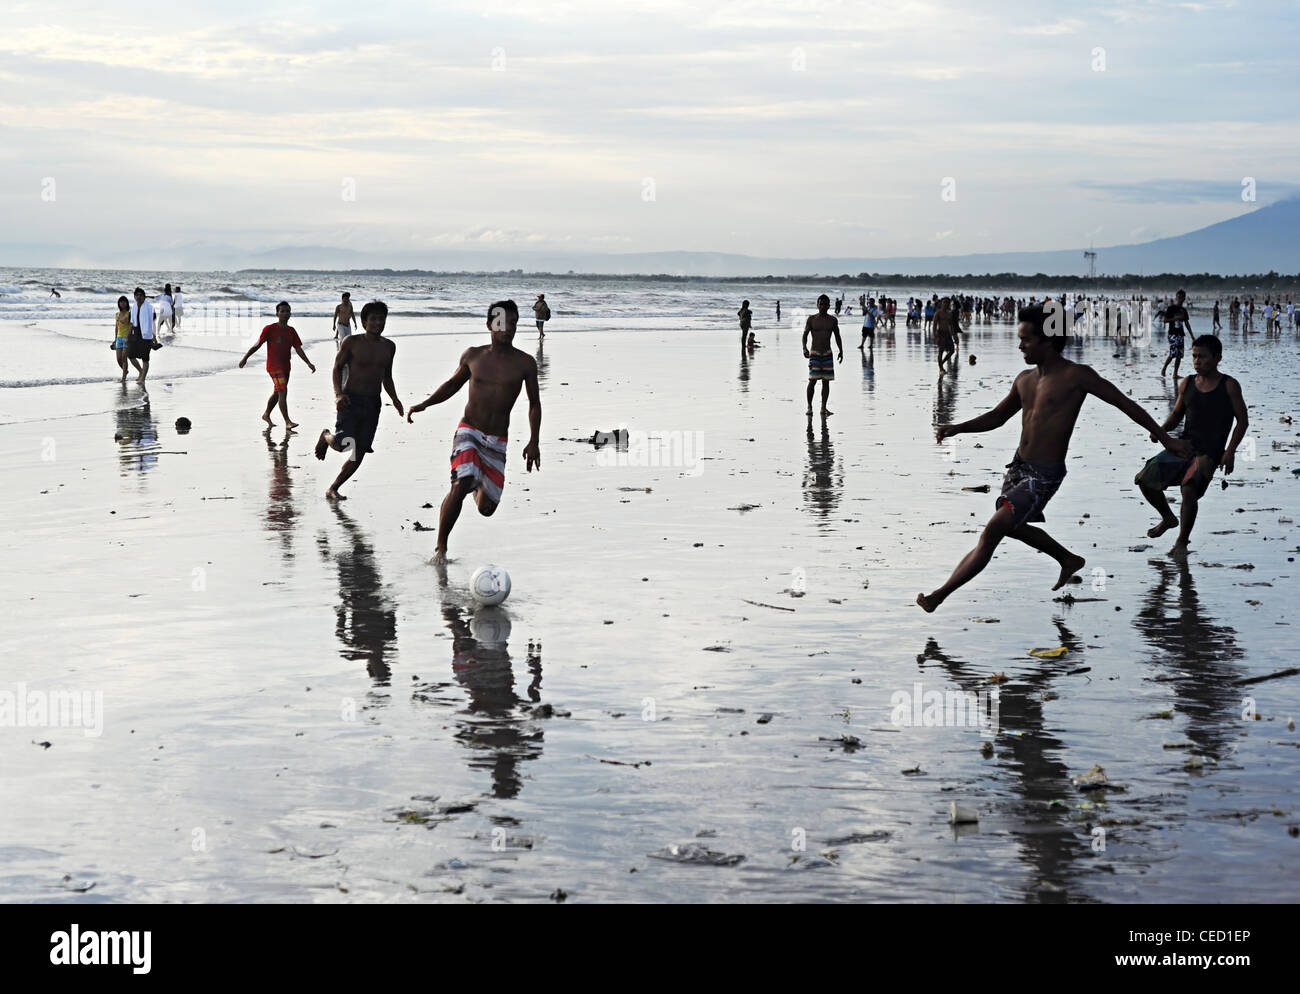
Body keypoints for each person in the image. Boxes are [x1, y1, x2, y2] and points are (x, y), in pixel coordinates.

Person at [916, 305, 1192, 613]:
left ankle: (939, 596)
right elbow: (998, 417)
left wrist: (1165, 437)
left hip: (1044, 475)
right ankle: (1066, 559)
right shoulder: (1024, 380)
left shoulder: (1076, 376)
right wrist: (957, 428)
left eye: (1026, 339)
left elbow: (1124, 404)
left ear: (1049, 340)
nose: (1020, 346)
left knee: (993, 530)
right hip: (1018, 469)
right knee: (1011, 527)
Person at [406, 299, 541, 564]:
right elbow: (451, 385)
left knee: (487, 509)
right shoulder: (473, 356)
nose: (508, 329)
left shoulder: (525, 363)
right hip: (469, 430)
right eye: (502, 323)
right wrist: (425, 404)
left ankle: (474, 481)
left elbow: (535, 403)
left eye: (513, 323)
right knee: (462, 483)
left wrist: (534, 440)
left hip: (497, 440)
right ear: (490, 324)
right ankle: (440, 549)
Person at [1136, 335, 1248, 556]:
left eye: (1202, 357)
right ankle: (1168, 517)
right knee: (1145, 480)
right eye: (1194, 356)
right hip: (1184, 446)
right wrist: (1160, 431)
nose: (1197, 361)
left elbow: (1242, 422)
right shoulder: (1187, 382)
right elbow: (1177, 414)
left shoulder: (1229, 385)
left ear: (1217, 358)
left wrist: (1230, 451)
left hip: (1210, 452)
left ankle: (1181, 543)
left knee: (1189, 489)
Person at [315, 300, 404, 500]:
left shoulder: (389, 347)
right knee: (343, 444)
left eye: (381, 319)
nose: (378, 323)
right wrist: (338, 394)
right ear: (364, 322)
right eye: (373, 319)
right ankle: (326, 435)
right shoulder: (351, 343)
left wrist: (395, 400)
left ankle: (333, 488)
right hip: (350, 400)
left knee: (360, 450)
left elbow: (386, 376)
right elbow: (337, 368)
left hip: (373, 403)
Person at [239, 301, 316, 428]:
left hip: (286, 367)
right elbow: (257, 344)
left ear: (290, 314)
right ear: (277, 314)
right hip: (274, 367)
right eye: (282, 311)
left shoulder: (291, 331)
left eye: (287, 311)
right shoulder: (269, 329)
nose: (285, 313)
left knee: (278, 392)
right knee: (283, 391)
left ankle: (266, 414)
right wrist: (245, 357)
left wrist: (308, 362)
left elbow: (298, 348)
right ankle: (287, 422)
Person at [802, 294, 842, 416]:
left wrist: (841, 350)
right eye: (821, 304)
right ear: (817, 305)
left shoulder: (833, 320)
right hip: (814, 353)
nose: (823, 306)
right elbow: (805, 335)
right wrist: (804, 348)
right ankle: (809, 407)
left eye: (825, 304)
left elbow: (837, 336)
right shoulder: (812, 319)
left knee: (826, 382)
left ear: (829, 305)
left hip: (827, 354)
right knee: (812, 381)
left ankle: (823, 408)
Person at [1159, 289, 1192, 378]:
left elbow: (1187, 323)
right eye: (1178, 297)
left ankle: (1175, 374)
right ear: (1176, 297)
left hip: (1181, 334)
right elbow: (1165, 320)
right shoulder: (1171, 308)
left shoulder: (1183, 310)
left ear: (1184, 298)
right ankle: (1164, 368)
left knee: (1179, 355)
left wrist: (1192, 336)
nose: (1180, 299)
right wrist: (1176, 318)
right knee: (1173, 353)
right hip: (1173, 334)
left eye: (1182, 297)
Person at [129, 287, 156, 385]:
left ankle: (143, 378)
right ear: (134, 296)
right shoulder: (134, 306)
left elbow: (152, 322)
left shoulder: (149, 307)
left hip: (146, 335)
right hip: (135, 334)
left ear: (144, 297)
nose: (139, 297)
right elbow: (131, 322)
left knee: (145, 358)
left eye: (141, 295)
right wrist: (128, 336)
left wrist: (154, 335)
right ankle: (141, 371)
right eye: (137, 295)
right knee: (131, 355)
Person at [333, 292, 357, 390]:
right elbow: (335, 316)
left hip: (348, 325)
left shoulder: (350, 307)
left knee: (349, 340)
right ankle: (341, 355)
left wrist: (355, 323)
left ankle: (347, 355)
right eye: (344, 299)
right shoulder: (339, 307)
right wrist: (333, 325)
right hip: (340, 325)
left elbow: (353, 315)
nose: (346, 300)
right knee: (343, 340)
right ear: (342, 299)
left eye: (347, 299)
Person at [112, 295, 132, 382]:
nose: (122, 303)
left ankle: (123, 378)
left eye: (124, 302)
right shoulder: (117, 314)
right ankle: (125, 371)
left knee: (124, 358)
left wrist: (128, 337)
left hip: (126, 338)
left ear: (127, 303)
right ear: (118, 304)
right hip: (119, 338)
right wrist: (115, 338)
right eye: (121, 302)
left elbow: (131, 326)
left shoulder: (129, 314)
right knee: (118, 359)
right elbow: (116, 327)